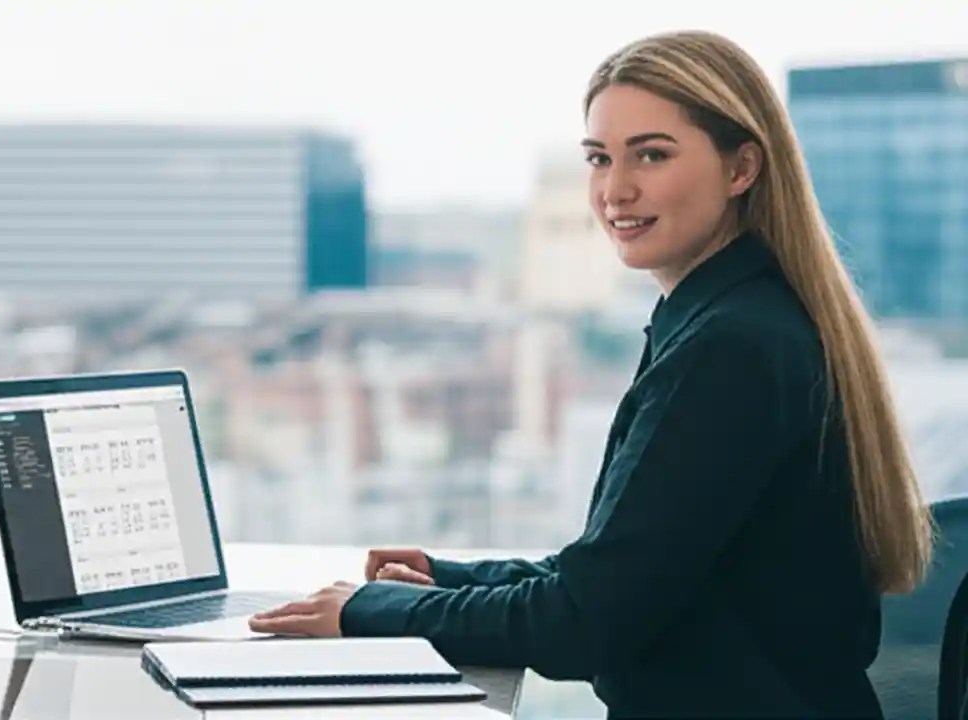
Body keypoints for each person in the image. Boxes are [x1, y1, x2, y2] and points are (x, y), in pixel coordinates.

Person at [248, 29, 934, 718]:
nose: (616, 189)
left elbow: (585, 623)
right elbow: (622, 571)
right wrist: (445, 582)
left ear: (741, 169)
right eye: (599, 158)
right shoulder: (730, 317)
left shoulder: (731, 348)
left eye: (652, 155)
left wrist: (370, 612)